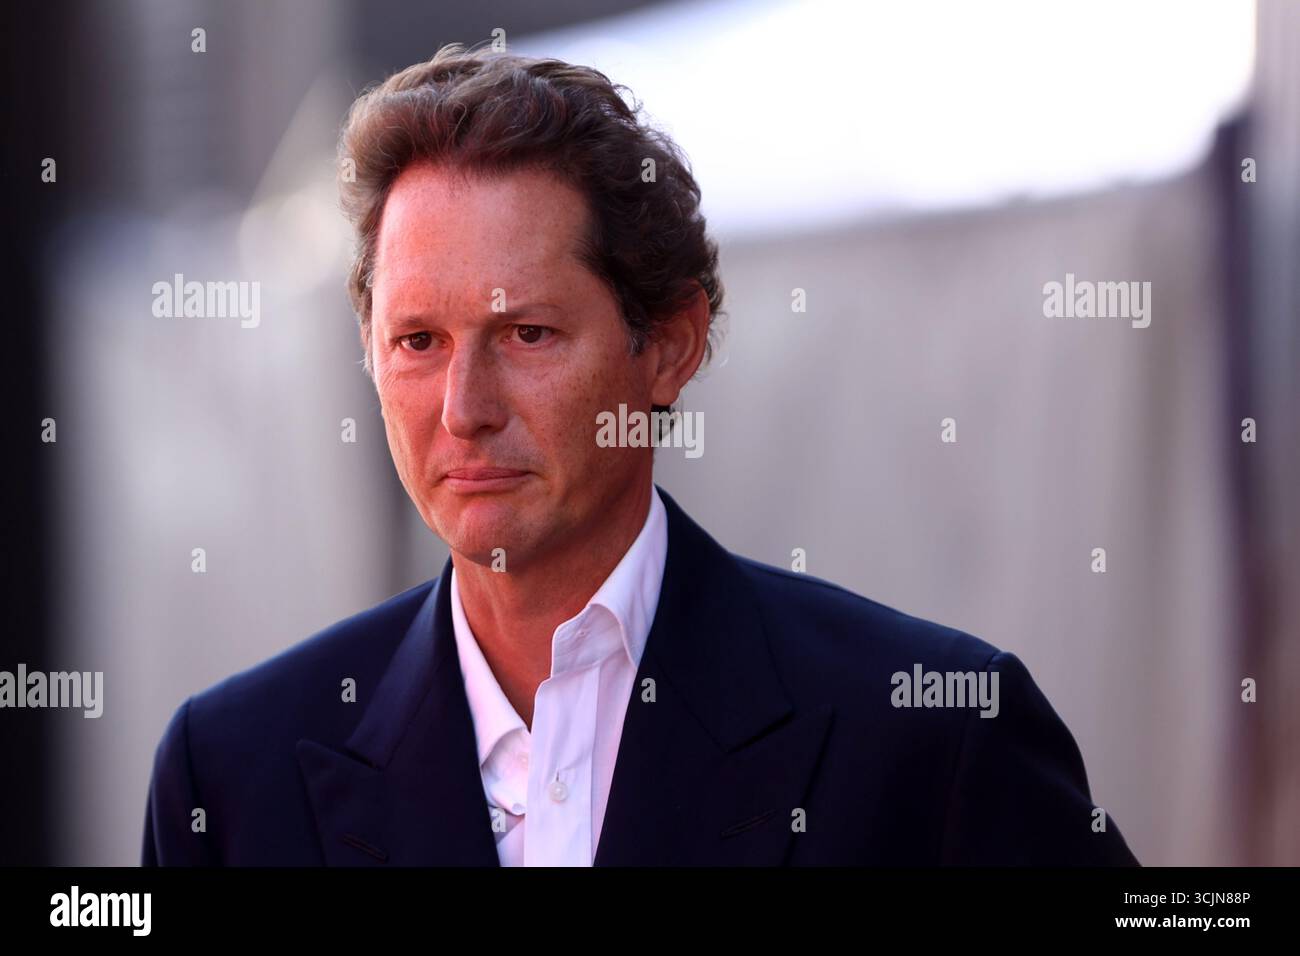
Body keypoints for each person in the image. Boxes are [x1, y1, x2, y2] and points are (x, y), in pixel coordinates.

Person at [142, 43, 1138, 866]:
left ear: (667, 344)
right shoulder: (228, 775)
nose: (464, 408)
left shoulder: (932, 734)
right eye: (418, 342)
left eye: (526, 333)